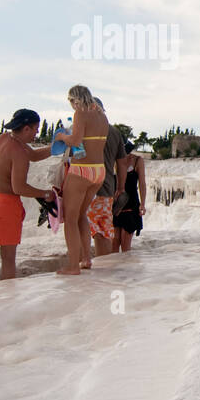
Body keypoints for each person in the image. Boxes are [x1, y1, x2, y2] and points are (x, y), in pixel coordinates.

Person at [0, 109, 55, 288]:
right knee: (8, 257)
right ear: (27, 128)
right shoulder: (19, 153)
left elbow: (35, 155)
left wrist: (57, 147)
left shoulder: (4, 138)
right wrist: (46, 194)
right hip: (3, 205)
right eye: (36, 129)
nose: (37, 134)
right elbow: (19, 187)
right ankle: (5, 300)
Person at [54, 85, 110, 275]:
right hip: (99, 171)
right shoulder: (102, 115)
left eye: (71, 101)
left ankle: (72, 266)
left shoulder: (80, 113)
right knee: (81, 215)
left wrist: (62, 136)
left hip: (82, 170)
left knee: (70, 219)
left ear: (75, 99)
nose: (71, 105)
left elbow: (76, 141)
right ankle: (86, 259)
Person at [88, 97, 126, 257]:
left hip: (85, 188)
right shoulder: (114, 132)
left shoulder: (82, 129)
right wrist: (120, 188)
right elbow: (122, 164)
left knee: (85, 227)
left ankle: (83, 263)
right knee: (104, 228)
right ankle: (104, 265)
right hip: (107, 188)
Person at [113, 141, 146, 251]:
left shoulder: (137, 160)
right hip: (116, 204)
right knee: (114, 241)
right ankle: (113, 268)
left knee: (125, 242)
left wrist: (143, 204)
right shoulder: (114, 161)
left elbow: (142, 183)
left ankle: (126, 268)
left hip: (131, 203)